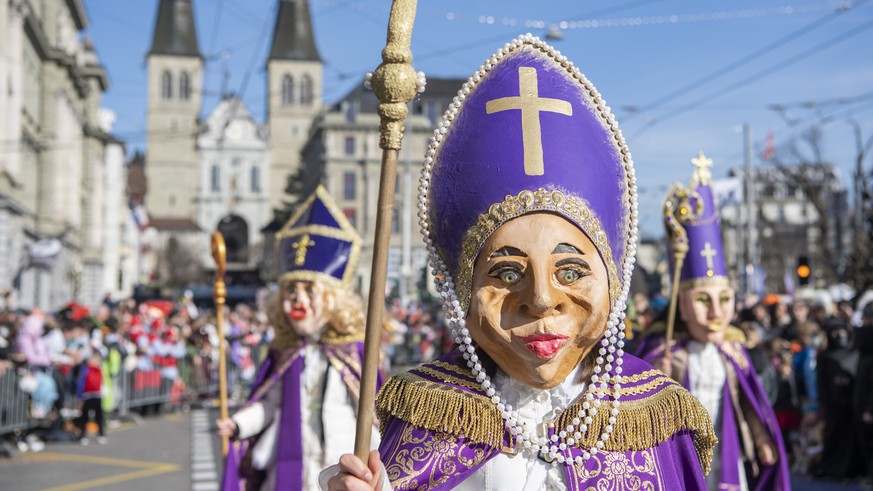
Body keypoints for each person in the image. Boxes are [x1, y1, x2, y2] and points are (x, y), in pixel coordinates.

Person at [326, 34, 716, 490]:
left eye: (570, 272)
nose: (542, 300)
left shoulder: (652, 417)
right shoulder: (427, 416)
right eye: (507, 274)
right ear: (463, 293)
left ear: (613, 282)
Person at [635, 154, 790, 490]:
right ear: (683, 307)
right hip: (681, 450)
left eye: (724, 300)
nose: (716, 313)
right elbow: (642, 410)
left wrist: (762, 437)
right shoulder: (665, 352)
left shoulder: (734, 351)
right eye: (703, 301)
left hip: (726, 446)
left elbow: (748, 402)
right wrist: (654, 374)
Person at [219, 185, 381, 490]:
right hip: (289, 467)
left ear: (334, 299)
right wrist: (237, 424)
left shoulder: (355, 351)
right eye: (291, 291)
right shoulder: (285, 351)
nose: (297, 299)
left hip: (341, 465)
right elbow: (269, 406)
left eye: (309, 290)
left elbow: (374, 415)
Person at [77, 350, 107, 445]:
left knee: (99, 416)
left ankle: (101, 434)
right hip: (87, 396)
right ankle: (83, 435)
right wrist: (80, 396)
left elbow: (103, 382)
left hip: (97, 395)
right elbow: (80, 383)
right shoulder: (85, 370)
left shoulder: (99, 369)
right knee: (84, 417)